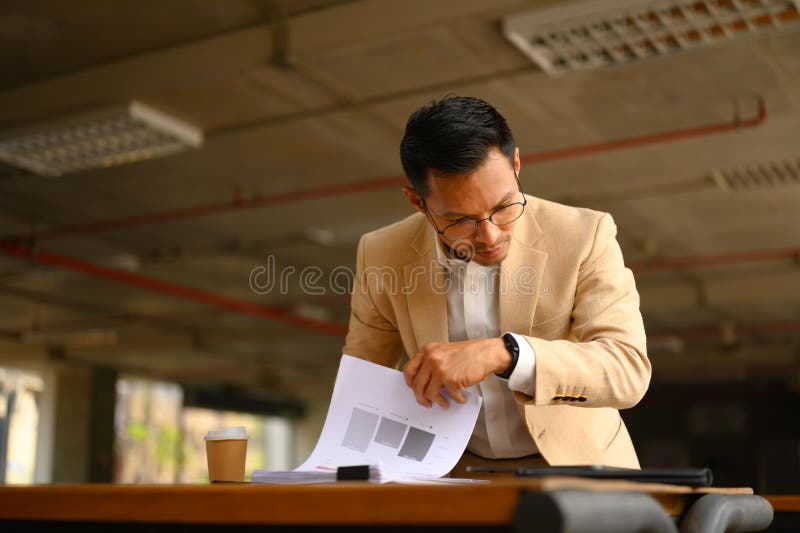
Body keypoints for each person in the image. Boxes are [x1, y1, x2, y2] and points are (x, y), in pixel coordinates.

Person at [342, 96, 650, 472]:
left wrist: (505, 353)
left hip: (579, 466)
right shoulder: (381, 254)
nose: (489, 236)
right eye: (461, 220)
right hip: (452, 473)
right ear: (417, 202)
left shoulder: (585, 234)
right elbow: (361, 385)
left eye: (504, 207)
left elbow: (627, 370)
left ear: (516, 164)